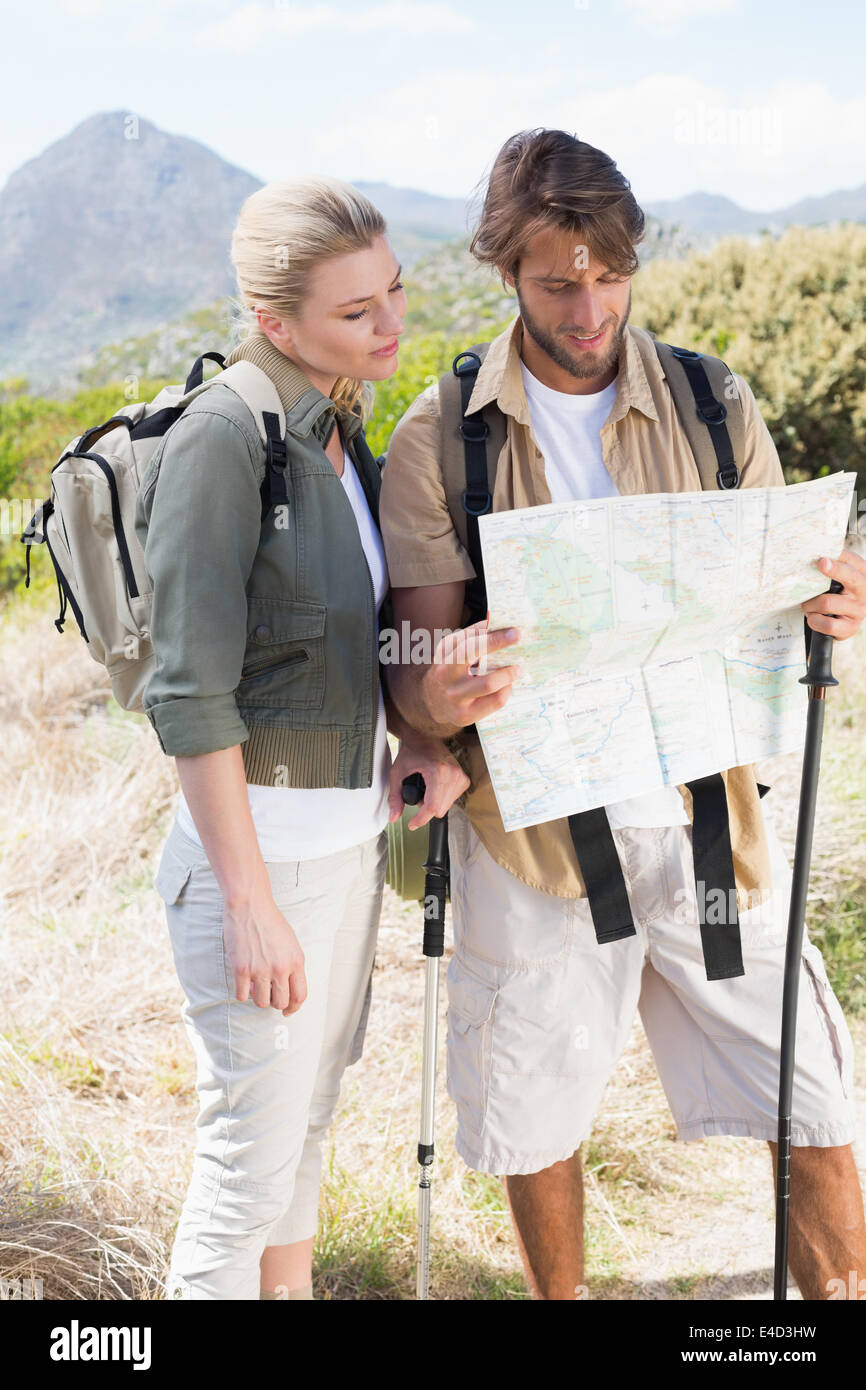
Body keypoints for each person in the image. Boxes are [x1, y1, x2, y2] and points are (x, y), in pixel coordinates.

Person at [377, 128, 866, 1300]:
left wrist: (836, 596)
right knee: (535, 1111)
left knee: (804, 1092)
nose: (589, 305)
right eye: (556, 281)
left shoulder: (710, 400)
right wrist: (433, 691)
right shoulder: (439, 437)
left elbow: (793, 578)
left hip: (709, 819)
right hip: (530, 840)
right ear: (507, 270)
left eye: (609, 274)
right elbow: (410, 655)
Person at [134, 176, 468, 1301]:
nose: (391, 326)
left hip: (343, 845)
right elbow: (188, 690)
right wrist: (244, 899)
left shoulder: (335, 426)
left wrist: (408, 751)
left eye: (394, 293)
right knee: (244, 1167)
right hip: (261, 865)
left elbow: (333, 648)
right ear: (272, 321)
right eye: (354, 311)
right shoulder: (224, 439)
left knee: (304, 1132)